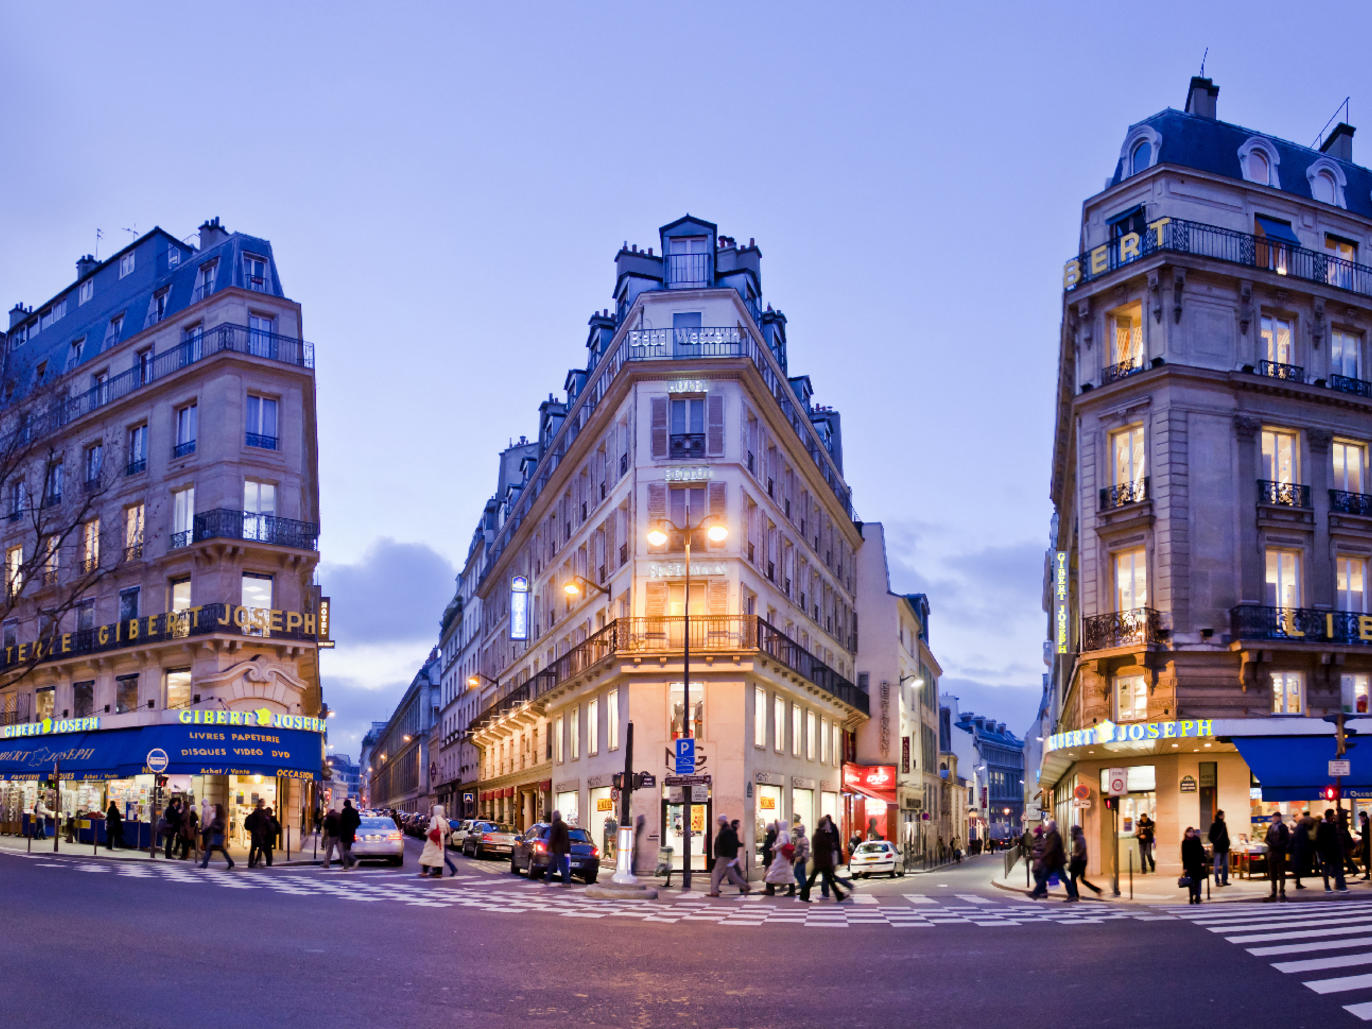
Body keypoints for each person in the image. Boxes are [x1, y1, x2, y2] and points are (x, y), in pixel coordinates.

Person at [799, 815, 846, 903]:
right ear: (824, 825)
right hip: (822, 861)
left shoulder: (821, 834)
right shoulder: (820, 835)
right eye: (827, 823)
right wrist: (830, 833)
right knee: (816, 879)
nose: (829, 825)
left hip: (822, 861)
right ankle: (839, 895)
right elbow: (828, 846)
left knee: (825, 879)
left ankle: (839, 895)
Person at [708, 814, 752, 896]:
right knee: (731, 874)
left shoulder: (726, 831)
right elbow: (733, 844)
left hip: (724, 856)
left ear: (723, 821)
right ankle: (745, 886)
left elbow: (729, 844)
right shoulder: (727, 830)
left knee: (716, 873)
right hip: (726, 856)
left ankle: (714, 891)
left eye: (719, 820)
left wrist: (729, 855)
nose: (718, 822)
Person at [1028, 819, 1066, 899]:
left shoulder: (1053, 836)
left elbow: (1049, 849)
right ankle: (1036, 893)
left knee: (1043, 877)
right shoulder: (1051, 836)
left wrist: (1042, 856)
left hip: (1053, 861)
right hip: (1051, 861)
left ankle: (1038, 893)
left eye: (1047, 826)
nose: (1046, 828)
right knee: (1043, 877)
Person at [1317, 808, 1349, 893]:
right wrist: (1321, 853)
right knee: (1326, 869)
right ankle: (1327, 886)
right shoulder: (1323, 826)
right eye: (1333, 815)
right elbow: (1319, 841)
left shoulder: (1333, 825)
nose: (1334, 816)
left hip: (1333, 851)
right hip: (1326, 851)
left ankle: (1339, 885)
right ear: (1329, 816)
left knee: (1336, 868)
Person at [1068, 825, 1102, 896]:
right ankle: (1097, 890)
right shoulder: (1078, 838)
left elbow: (1083, 848)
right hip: (1080, 861)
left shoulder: (1080, 838)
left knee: (1074, 878)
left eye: (1072, 831)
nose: (1071, 833)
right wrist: (1074, 853)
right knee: (1081, 879)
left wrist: (1076, 854)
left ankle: (1075, 894)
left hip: (1080, 862)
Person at [764, 823, 797, 896]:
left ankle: (770, 889)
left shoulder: (781, 833)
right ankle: (792, 890)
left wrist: (775, 847)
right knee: (787, 873)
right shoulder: (786, 833)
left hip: (781, 856)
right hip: (785, 856)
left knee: (773, 871)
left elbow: (783, 842)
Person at [199, 804, 235, 869]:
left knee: (210, 850)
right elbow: (210, 827)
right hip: (215, 836)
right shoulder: (215, 817)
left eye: (214, 808)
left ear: (218, 809)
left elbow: (220, 827)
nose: (213, 809)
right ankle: (230, 862)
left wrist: (213, 827)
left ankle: (204, 864)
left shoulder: (220, 818)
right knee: (219, 851)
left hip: (217, 837)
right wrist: (202, 832)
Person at [419, 803, 449, 878]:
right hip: (440, 838)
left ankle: (424, 871)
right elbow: (445, 831)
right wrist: (442, 834)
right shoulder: (442, 819)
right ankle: (439, 873)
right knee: (439, 855)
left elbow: (433, 827)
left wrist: (426, 833)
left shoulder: (434, 818)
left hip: (433, 839)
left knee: (428, 853)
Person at [1265, 811, 1289, 902]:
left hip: (1279, 852)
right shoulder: (1270, 827)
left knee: (1281, 873)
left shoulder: (1283, 827)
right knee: (1273, 873)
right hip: (1272, 853)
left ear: (1279, 818)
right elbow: (1266, 838)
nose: (1274, 819)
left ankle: (1282, 891)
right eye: (1273, 817)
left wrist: (1278, 845)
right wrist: (1270, 844)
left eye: (1275, 817)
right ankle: (1274, 890)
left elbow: (1286, 839)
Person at [546, 810, 572, 886]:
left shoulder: (556, 825)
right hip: (562, 848)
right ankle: (547, 879)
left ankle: (567, 882)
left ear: (554, 817)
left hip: (558, 848)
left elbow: (553, 837)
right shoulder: (564, 825)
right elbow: (567, 838)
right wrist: (567, 848)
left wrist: (549, 847)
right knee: (552, 864)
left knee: (562, 866)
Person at [1181, 827, 1205, 904]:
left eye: (1192, 832)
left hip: (1197, 864)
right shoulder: (1184, 842)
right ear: (1186, 833)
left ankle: (1197, 897)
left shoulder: (1197, 840)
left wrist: (1202, 861)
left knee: (1197, 881)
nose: (1191, 833)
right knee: (1190, 882)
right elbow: (1184, 855)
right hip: (1189, 865)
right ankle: (1191, 897)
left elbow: (1201, 852)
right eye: (1189, 832)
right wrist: (1184, 867)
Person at [1208, 810, 1231, 887]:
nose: (1224, 816)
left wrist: (1228, 842)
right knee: (1217, 865)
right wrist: (1216, 842)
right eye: (1223, 815)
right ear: (1219, 816)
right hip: (1218, 848)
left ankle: (1224, 880)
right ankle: (1217, 881)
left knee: (1225, 864)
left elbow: (1226, 835)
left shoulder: (1224, 824)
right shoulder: (1214, 825)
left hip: (1224, 847)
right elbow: (1210, 836)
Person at [244, 799, 267, 868]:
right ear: (259, 803)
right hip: (258, 832)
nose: (264, 803)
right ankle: (256, 862)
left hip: (256, 832)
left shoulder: (256, 811)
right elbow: (261, 822)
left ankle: (253, 862)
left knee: (254, 848)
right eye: (263, 802)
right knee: (259, 847)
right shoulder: (259, 812)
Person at [339, 799, 360, 871]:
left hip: (345, 833)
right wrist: (353, 827)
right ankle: (346, 867)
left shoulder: (344, 811)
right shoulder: (355, 811)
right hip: (351, 833)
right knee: (348, 849)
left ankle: (354, 860)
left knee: (345, 850)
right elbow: (358, 822)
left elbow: (342, 822)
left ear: (345, 805)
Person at [791, 822, 810, 893]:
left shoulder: (803, 839)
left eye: (797, 830)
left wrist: (801, 857)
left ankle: (804, 889)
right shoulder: (800, 838)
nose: (796, 832)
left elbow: (805, 849)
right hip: (800, 858)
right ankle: (804, 889)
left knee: (797, 873)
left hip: (801, 859)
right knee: (802, 874)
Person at [1361, 811, 1371, 881]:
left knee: (1366, 859)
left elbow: (1366, 835)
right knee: (1366, 859)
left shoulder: (1367, 823)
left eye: (1361, 817)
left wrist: (1359, 833)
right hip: (1367, 844)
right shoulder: (1366, 822)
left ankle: (1367, 874)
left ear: (1364, 816)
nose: (1360, 819)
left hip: (1368, 845)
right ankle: (1367, 874)